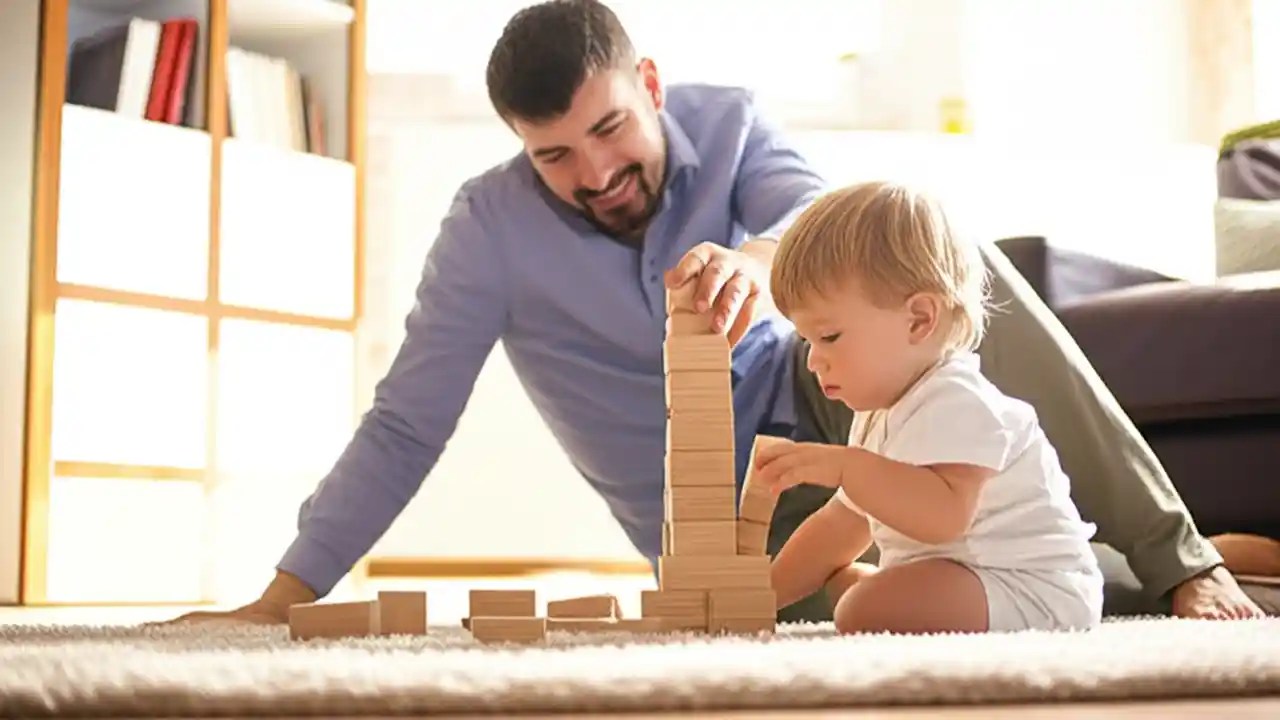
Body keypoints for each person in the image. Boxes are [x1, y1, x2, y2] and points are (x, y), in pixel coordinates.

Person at [169, 0, 1261, 627]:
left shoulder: (729, 124)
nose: (593, 172)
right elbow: (407, 422)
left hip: (824, 409)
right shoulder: (485, 233)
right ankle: (1147, 566)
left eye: (608, 130)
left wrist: (751, 259)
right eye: (552, 155)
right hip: (725, 526)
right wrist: (281, 595)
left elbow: (822, 225)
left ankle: (1179, 557)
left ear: (647, 79)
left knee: (949, 266)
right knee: (878, 604)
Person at [755, 181, 1104, 634]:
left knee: (860, 611)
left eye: (830, 337)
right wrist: (762, 596)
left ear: (919, 319)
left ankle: (878, 597)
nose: (813, 359)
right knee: (852, 589)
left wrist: (845, 467)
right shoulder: (880, 413)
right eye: (806, 340)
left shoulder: (957, 399)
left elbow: (943, 517)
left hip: (1032, 590)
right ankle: (880, 595)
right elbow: (841, 525)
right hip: (966, 575)